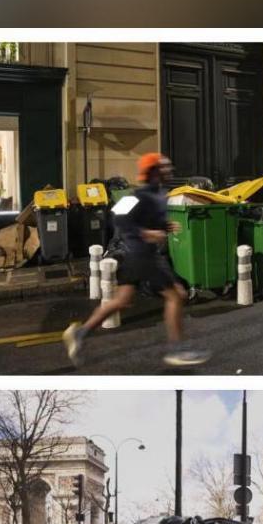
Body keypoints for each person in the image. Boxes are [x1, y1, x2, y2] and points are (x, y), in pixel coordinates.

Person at [63, 153, 208, 370]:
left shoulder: (161, 194)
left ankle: (80, 333)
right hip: (143, 254)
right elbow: (119, 219)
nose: (169, 170)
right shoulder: (137, 195)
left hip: (141, 254)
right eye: (164, 167)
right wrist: (146, 233)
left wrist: (166, 228)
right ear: (153, 171)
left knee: (122, 300)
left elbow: (153, 220)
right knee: (176, 296)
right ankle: (177, 350)